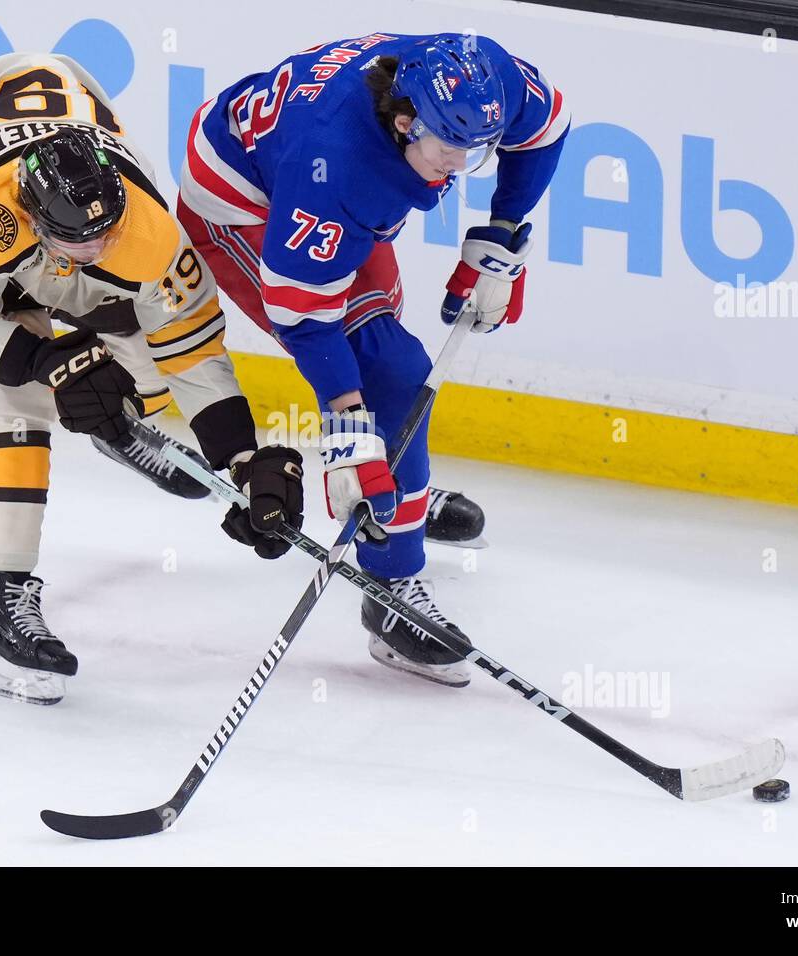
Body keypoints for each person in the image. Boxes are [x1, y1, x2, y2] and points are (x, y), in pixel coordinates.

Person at [0, 52, 304, 704]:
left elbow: (193, 353)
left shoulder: (146, 230)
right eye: (77, 241)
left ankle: (115, 423)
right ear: (32, 215)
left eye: (106, 232)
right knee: (12, 394)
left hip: (58, 136)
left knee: (140, 343)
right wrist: (42, 362)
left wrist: (241, 457)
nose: (97, 250)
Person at [178, 32, 568, 687]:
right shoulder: (335, 164)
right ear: (405, 119)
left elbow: (547, 126)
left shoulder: (483, 75)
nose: (457, 164)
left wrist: (503, 231)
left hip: (303, 166)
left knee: (386, 369)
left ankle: (396, 491)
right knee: (387, 372)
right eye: (447, 146)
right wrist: (348, 426)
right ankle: (391, 594)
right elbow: (304, 317)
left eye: (473, 151)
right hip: (243, 205)